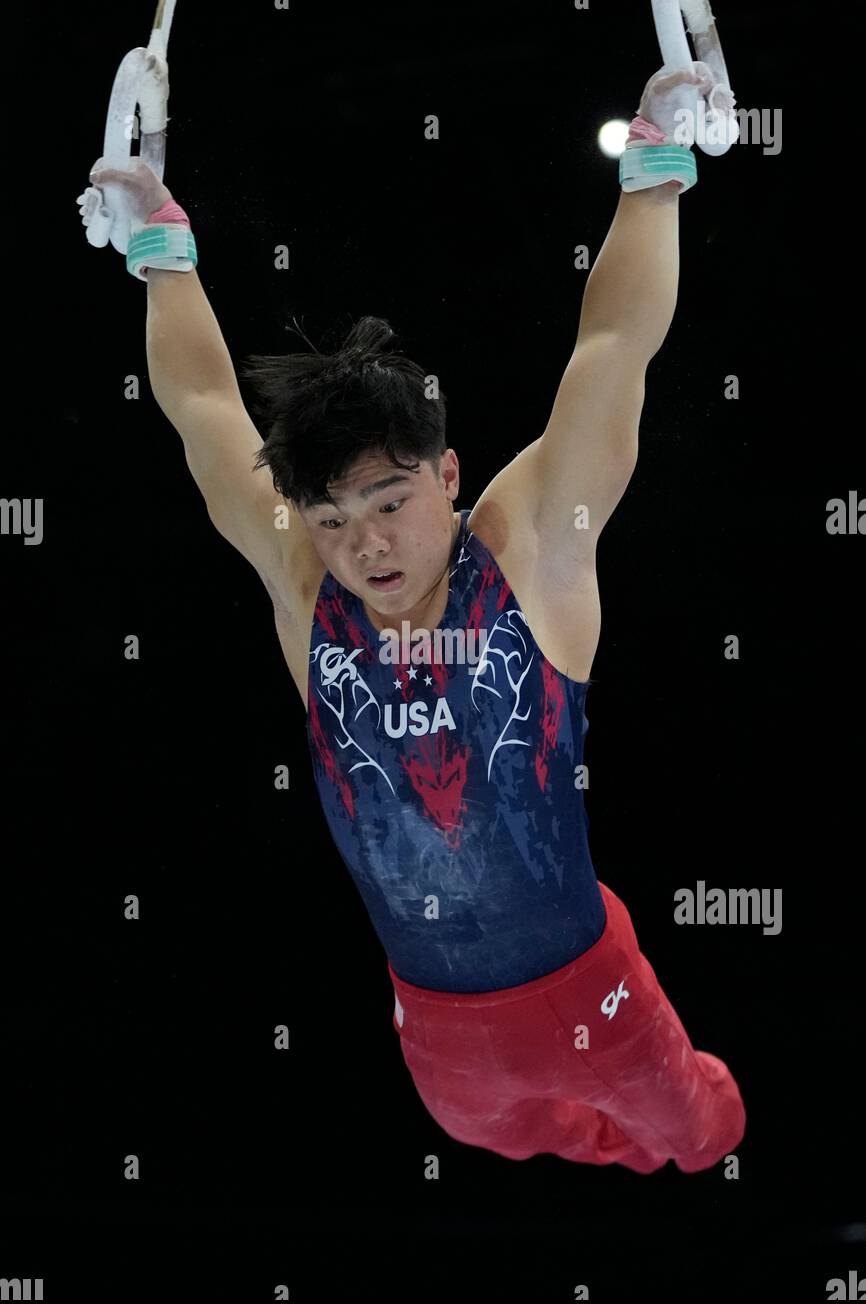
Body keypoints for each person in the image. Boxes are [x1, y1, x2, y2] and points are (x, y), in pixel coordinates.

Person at [86, 62, 745, 1173]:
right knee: (490, 1136)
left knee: (695, 1136)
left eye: (388, 504)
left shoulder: (525, 552)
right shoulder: (309, 589)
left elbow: (610, 353)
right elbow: (205, 411)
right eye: (332, 518)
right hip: (442, 1039)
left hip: (593, 988)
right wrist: (160, 251)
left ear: (447, 476)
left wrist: (654, 173)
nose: (363, 546)